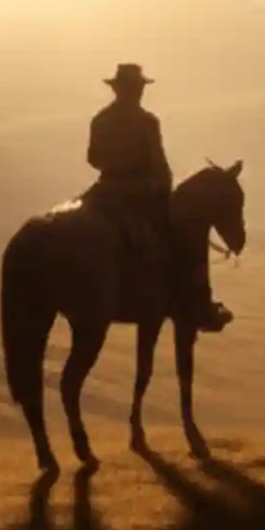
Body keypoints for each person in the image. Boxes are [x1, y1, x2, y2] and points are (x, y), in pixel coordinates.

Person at [87, 63, 232, 332]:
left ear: (116, 89)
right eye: (138, 87)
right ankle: (198, 305)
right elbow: (159, 164)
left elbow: (93, 159)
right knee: (184, 240)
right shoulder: (147, 122)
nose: (139, 92)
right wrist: (165, 191)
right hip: (138, 193)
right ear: (134, 90)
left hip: (103, 191)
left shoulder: (101, 119)